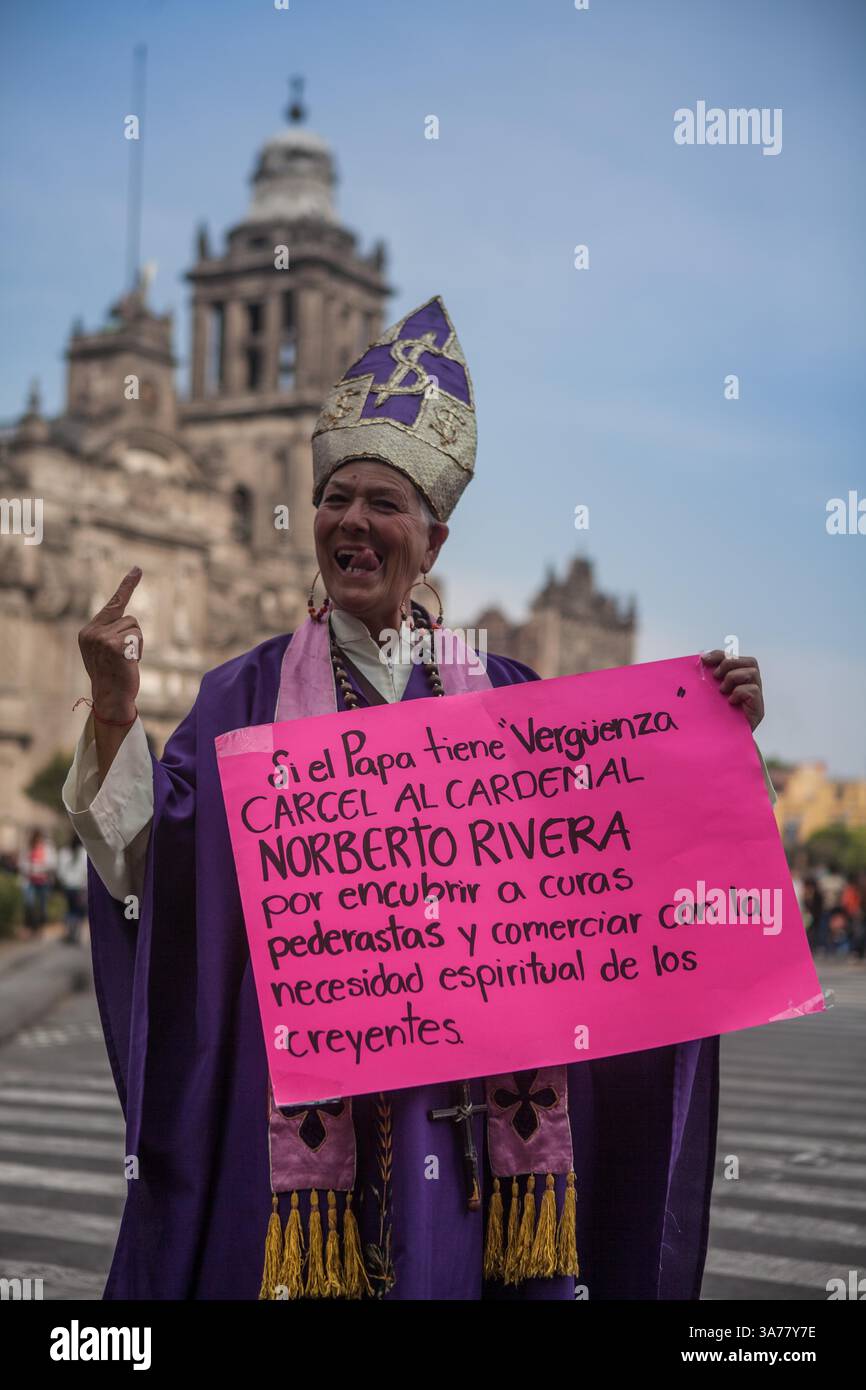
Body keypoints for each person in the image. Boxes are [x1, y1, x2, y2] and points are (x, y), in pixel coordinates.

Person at [64, 295, 771, 1301]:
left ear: (430, 541)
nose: (352, 521)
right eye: (334, 498)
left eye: (383, 504)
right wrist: (111, 714)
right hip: (301, 1110)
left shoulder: (511, 701)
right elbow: (151, 864)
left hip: (469, 1112)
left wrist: (712, 742)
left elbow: (630, 860)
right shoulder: (244, 696)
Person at [18, 829, 56, 934]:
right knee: (29, 903)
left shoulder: (48, 848)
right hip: (30, 881)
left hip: (43, 881)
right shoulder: (27, 848)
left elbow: (52, 864)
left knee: (42, 906)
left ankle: (39, 927)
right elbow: (21, 863)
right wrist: (30, 869)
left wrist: (40, 868)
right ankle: (30, 926)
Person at [56, 832, 88, 945]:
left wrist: (64, 882)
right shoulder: (84, 853)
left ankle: (69, 932)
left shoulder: (64, 852)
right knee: (78, 911)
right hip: (79, 887)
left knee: (70, 910)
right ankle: (76, 934)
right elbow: (86, 872)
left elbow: (60, 872)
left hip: (68, 886)